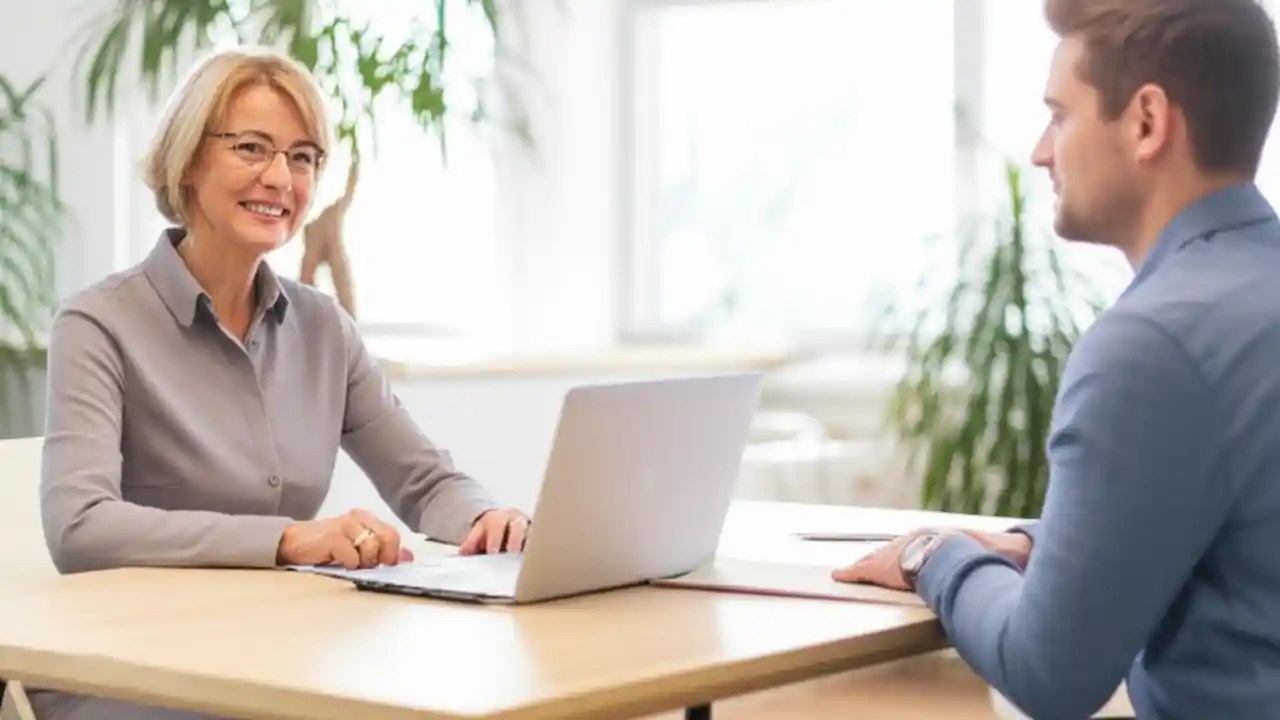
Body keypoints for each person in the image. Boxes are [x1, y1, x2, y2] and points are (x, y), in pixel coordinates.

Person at [34, 47, 528, 719]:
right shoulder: (97, 324)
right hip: (131, 672)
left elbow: (424, 480)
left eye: (303, 158)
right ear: (188, 158)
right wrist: (287, 540)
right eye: (251, 148)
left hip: (280, 657)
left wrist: (486, 520)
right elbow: (81, 528)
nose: (280, 178)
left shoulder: (324, 328)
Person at [835, 0, 1280, 718]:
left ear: (1146, 121)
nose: (1042, 151)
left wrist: (931, 556)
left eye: (1060, 115)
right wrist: (1029, 543)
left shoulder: (1153, 345)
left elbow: (1048, 671)